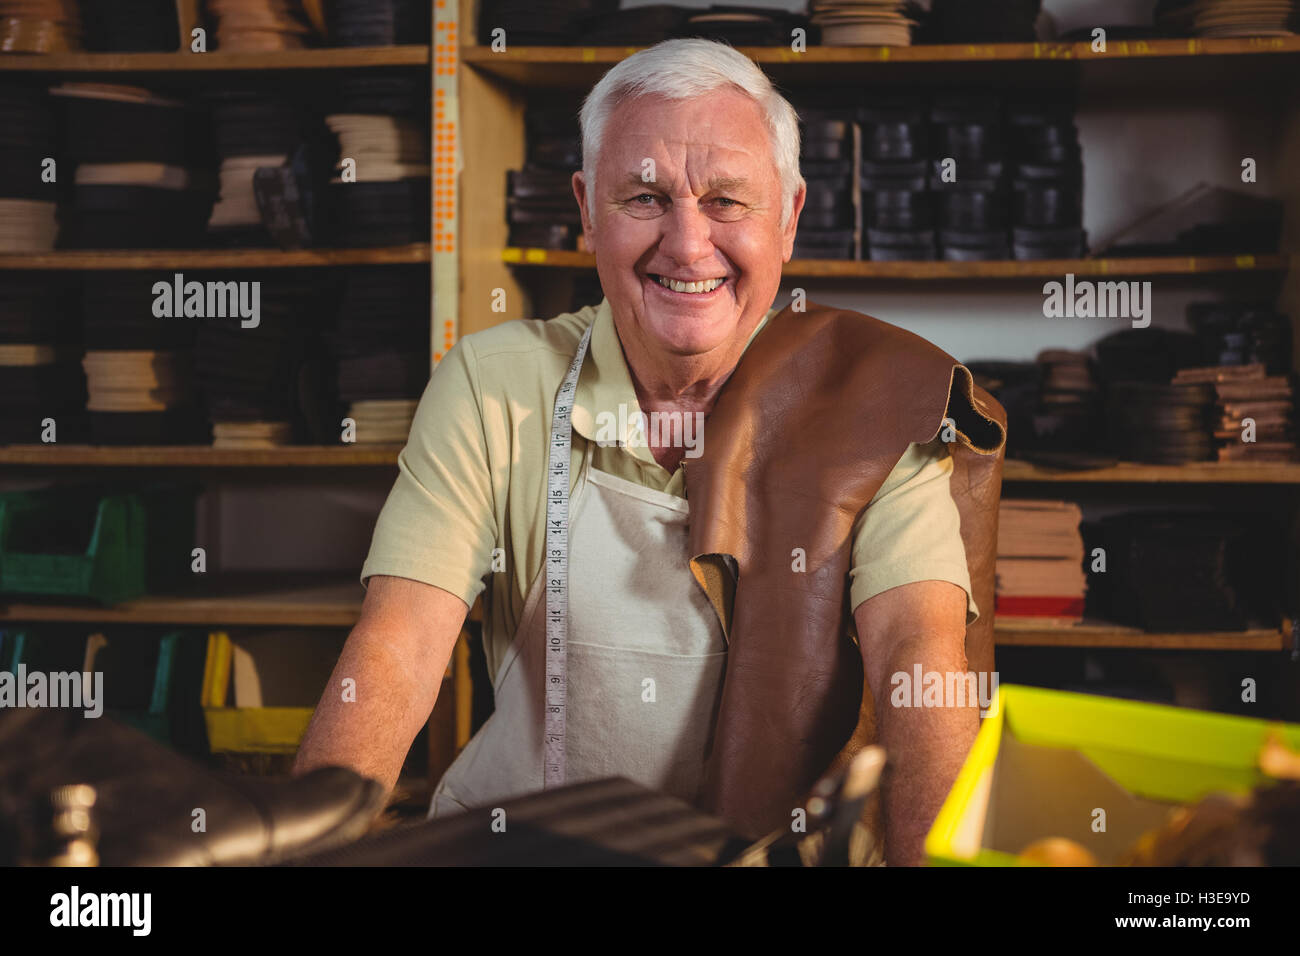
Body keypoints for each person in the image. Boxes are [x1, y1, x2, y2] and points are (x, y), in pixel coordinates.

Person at [295, 38, 990, 866]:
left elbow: (918, 659)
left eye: (727, 200)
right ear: (588, 209)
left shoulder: (875, 405)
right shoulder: (494, 384)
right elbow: (398, 646)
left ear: (790, 217)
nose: (687, 245)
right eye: (646, 197)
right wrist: (305, 850)